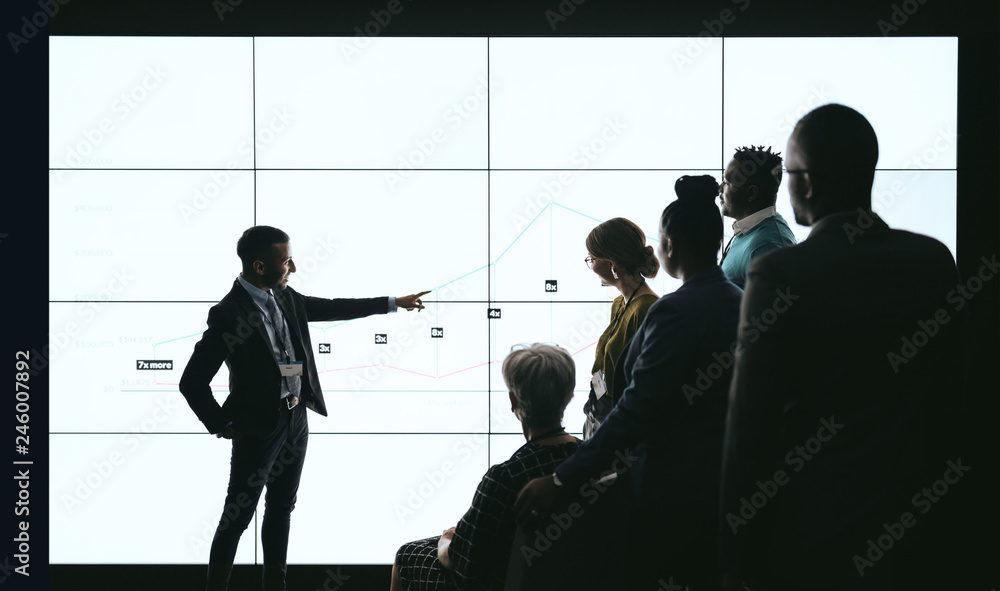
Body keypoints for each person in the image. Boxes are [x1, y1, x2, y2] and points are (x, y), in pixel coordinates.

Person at [719, 104, 966, 590]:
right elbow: (955, 402)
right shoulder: (934, 262)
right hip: (919, 540)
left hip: (811, 541)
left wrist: (734, 557)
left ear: (806, 182)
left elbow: (752, 427)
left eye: (788, 173)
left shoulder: (779, 273)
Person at [515, 175, 743, 590]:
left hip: (665, 493)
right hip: (723, 487)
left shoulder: (670, 312)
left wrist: (564, 479)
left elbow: (637, 409)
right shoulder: (742, 304)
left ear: (670, 246)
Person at [179, 225, 429, 591]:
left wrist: (392, 302)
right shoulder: (228, 314)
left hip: (295, 419)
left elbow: (332, 308)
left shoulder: (285, 297)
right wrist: (223, 424)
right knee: (237, 518)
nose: (293, 268)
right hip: (258, 429)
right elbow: (192, 382)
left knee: (281, 509)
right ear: (260, 266)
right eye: (287, 261)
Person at [391, 343, 580, 591]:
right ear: (569, 396)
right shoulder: (592, 461)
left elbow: (461, 563)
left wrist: (447, 539)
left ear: (514, 401)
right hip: (575, 577)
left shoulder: (506, 477)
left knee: (406, 554)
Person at [581, 217, 659, 439]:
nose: (590, 264)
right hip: (599, 406)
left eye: (592, 258)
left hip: (617, 416)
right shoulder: (621, 303)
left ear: (612, 264)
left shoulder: (647, 308)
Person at [719, 145, 796, 288]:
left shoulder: (767, 246)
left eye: (728, 183)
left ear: (751, 193)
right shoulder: (749, 231)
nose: (720, 187)